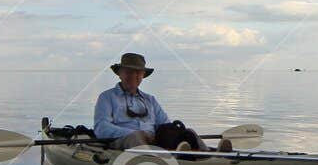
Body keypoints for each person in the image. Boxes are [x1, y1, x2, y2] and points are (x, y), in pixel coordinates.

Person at [93, 52, 229, 152]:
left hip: (152, 140)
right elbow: (101, 128)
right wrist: (132, 133)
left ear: (142, 76)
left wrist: (174, 134)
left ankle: (211, 156)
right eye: (129, 72)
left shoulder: (150, 99)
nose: (133, 76)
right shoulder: (107, 97)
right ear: (120, 73)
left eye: (138, 73)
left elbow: (164, 124)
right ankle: (165, 162)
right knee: (135, 137)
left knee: (188, 132)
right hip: (124, 141)